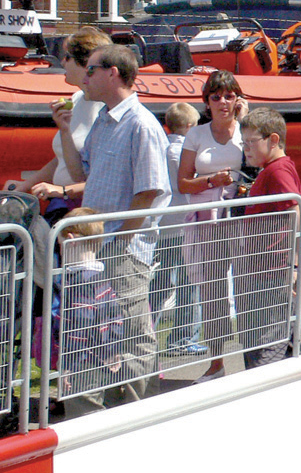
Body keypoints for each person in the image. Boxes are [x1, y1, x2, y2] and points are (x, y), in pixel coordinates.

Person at [78, 43, 170, 409]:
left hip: (122, 250)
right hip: (94, 248)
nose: (84, 78)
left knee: (134, 332)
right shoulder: (102, 121)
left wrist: (119, 241)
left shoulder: (141, 125)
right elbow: (91, 174)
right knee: (95, 331)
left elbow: (148, 192)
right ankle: (98, 407)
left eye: (90, 70)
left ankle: (136, 409)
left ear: (112, 72)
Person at [178, 71, 248, 382]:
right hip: (207, 221)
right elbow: (182, 183)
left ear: (238, 99)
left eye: (229, 96)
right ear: (207, 101)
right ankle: (216, 361)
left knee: (250, 285)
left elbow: (260, 165)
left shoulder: (246, 130)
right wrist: (211, 180)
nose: (222, 102)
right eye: (216, 96)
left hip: (240, 217)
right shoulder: (197, 135)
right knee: (213, 292)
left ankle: (256, 355)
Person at [236, 108, 301, 368]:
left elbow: (297, 210)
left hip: (273, 269)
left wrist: (298, 261)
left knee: (267, 341)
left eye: (251, 142)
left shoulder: (277, 171)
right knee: (262, 336)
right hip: (265, 268)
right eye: (243, 143)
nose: (246, 149)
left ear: (273, 140)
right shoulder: (273, 169)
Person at [22, 26, 112, 224]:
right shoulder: (78, 98)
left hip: (85, 210)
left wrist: (61, 191)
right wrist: (26, 184)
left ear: (85, 62)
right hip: (63, 204)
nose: (62, 61)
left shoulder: (105, 109)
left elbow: (107, 177)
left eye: (67, 56)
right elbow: (63, 157)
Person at [58, 210, 124, 420]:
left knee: (84, 414)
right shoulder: (102, 276)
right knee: (99, 404)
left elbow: (78, 327)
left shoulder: (79, 281)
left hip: (83, 361)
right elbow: (116, 316)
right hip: (103, 356)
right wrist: (114, 349)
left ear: (71, 241)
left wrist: (68, 366)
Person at [153, 102, 206, 358]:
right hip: (183, 225)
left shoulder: (161, 149)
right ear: (188, 126)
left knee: (162, 282)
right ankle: (183, 337)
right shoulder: (181, 153)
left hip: (165, 224)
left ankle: (147, 328)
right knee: (189, 281)